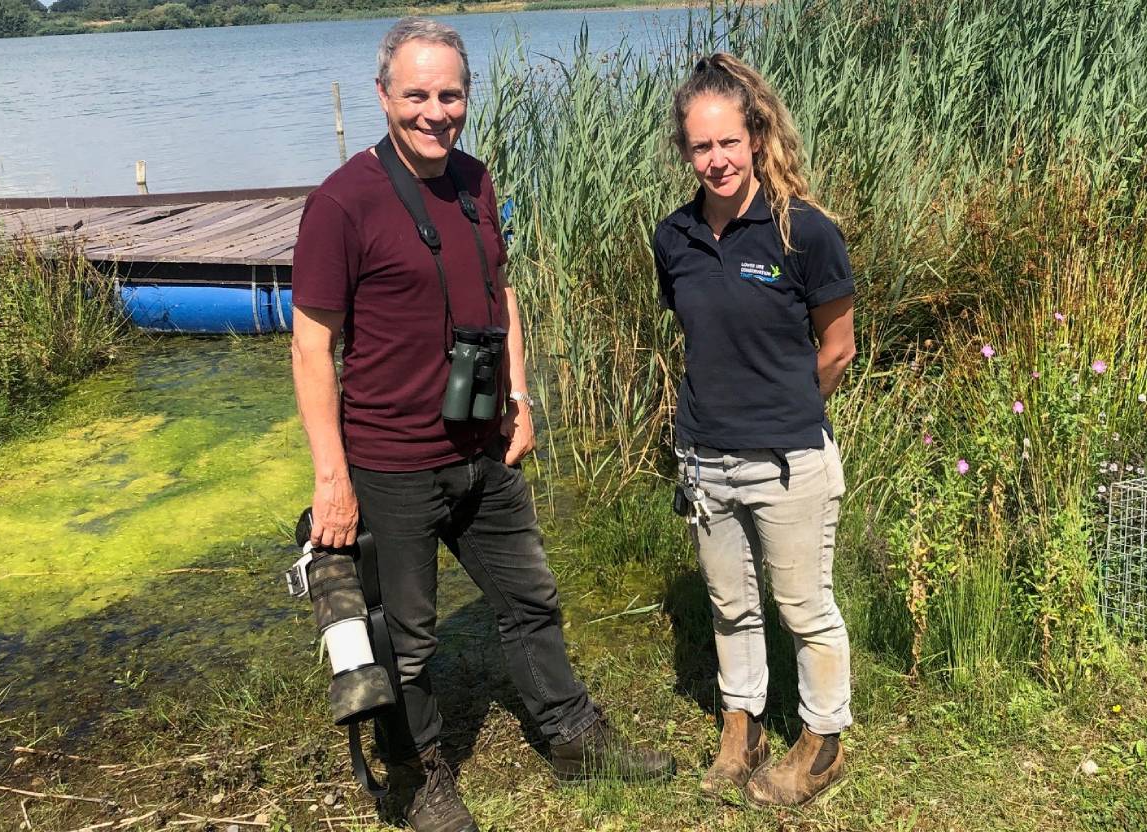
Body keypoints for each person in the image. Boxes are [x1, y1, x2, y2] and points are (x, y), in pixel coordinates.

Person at [291, 18, 673, 832]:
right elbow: (312, 347)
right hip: (392, 462)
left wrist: (522, 400)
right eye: (418, 94)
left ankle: (571, 736)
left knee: (531, 600)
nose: (437, 112)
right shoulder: (341, 203)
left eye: (451, 94)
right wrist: (333, 481)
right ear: (383, 95)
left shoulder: (476, 180)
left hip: (484, 445)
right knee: (407, 638)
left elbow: (503, 297)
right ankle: (419, 776)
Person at [652, 53, 858, 806]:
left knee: (805, 607)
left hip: (787, 459)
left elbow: (838, 348)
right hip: (705, 457)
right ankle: (742, 726)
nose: (716, 160)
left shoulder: (804, 232)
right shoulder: (672, 238)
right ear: (686, 152)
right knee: (731, 605)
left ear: (757, 138)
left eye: (728, 143)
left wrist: (783, 409)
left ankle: (823, 743)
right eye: (701, 147)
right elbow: (702, 334)